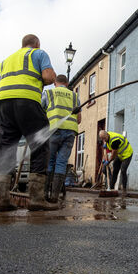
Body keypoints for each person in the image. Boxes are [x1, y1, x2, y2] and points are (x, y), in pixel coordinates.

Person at [0, 34, 58, 211]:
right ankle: (37, 199)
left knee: (6, 148)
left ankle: (3, 198)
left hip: (3, 103)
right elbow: (47, 77)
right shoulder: (38, 54)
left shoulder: (6, 60)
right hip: (27, 100)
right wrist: (51, 76)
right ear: (37, 44)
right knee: (39, 145)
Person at [41, 74, 80, 203]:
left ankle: (46, 193)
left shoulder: (49, 93)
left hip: (53, 131)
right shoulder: (75, 96)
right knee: (62, 162)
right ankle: (55, 196)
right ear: (67, 84)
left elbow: (40, 112)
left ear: (55, 83)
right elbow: (79, 120)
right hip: (70, 132)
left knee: (50, 161)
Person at [98, 130, 133, 195]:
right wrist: (105, 158)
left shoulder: (114, 141)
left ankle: (124, 190)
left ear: (107, 135)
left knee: (123, 170)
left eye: (104, 138)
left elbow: (113, 155)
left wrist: (108, 161)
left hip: (127, 154)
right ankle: (111, 188)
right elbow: (108, 149)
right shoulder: (107, 138)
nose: (104, 140)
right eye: (102, 139)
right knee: (115, 171)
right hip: (119, 154)